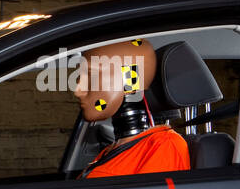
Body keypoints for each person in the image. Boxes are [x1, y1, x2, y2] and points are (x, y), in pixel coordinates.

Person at [72, 38, 189, 178]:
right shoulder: (110, 151)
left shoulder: (163, 146)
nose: (78, 90)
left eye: (91, 75)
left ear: (129, 78)